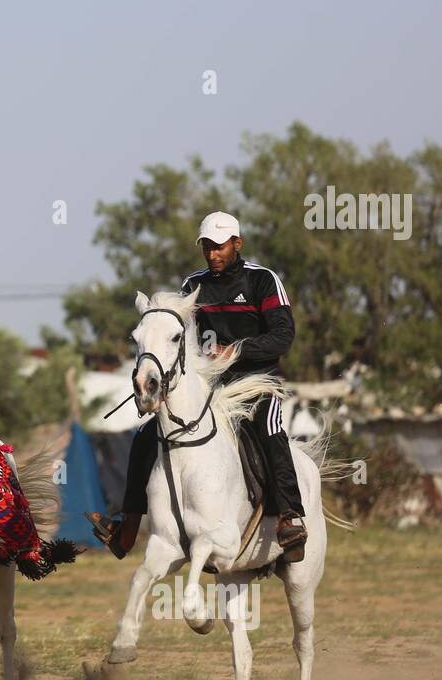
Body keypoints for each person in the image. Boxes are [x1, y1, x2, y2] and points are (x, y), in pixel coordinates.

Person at [103, 211, 308, 562]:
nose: (212, 254)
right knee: (143, 439)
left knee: (270, 430)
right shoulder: (192, 287)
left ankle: (290, 517)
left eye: (219, 247)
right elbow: (179, 342)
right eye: (207, 248)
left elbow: (283, 336)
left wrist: (236, 350)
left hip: (257, 384)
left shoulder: (263, 281)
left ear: (237, 244)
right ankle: (128, 527)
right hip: (210, 389)